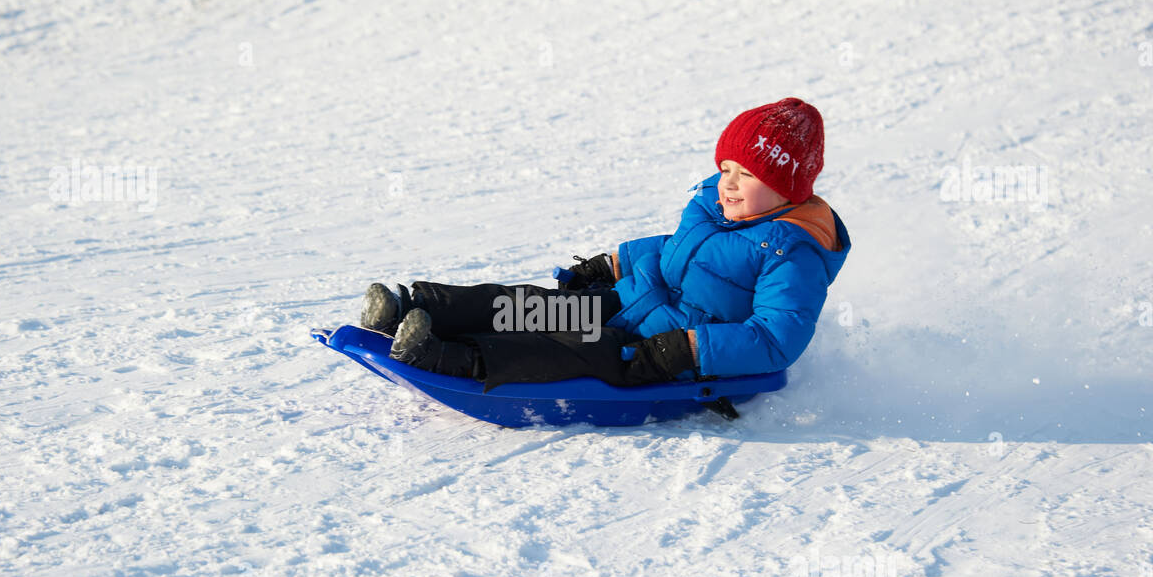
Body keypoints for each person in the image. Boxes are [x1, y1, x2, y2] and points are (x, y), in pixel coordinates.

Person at [357, 98, 851, 392]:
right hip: (632, 300)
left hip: (657, 350)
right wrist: (613, 263)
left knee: (567, 351)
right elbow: (679, 248)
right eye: (726, 169)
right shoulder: (715, 206)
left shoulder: (792, 251)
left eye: (750, 175)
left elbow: (774, 339)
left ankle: (447, 357)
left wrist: (687, 350)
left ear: (789, 187)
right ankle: (415, 306)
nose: (729, 184)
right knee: (535, 309)